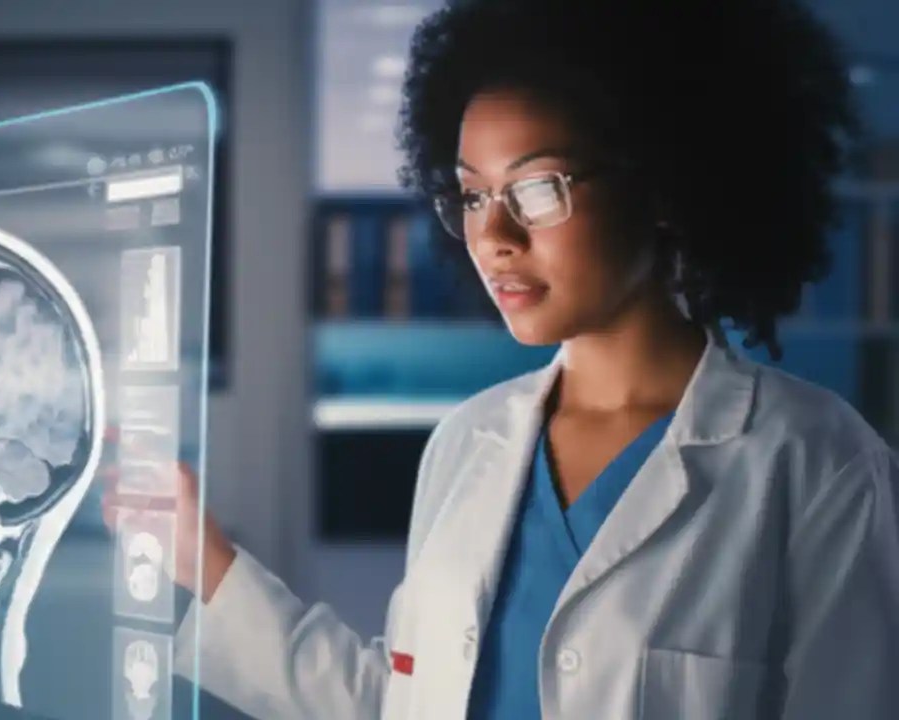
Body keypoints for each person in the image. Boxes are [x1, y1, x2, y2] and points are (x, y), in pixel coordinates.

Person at [103, 0, 899, 717]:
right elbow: (405, 703)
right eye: (473, 195)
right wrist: (201, 559)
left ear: (661, 186)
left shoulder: (816, 464)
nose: (494, 237)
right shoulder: (466, 441)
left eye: (539, 188)